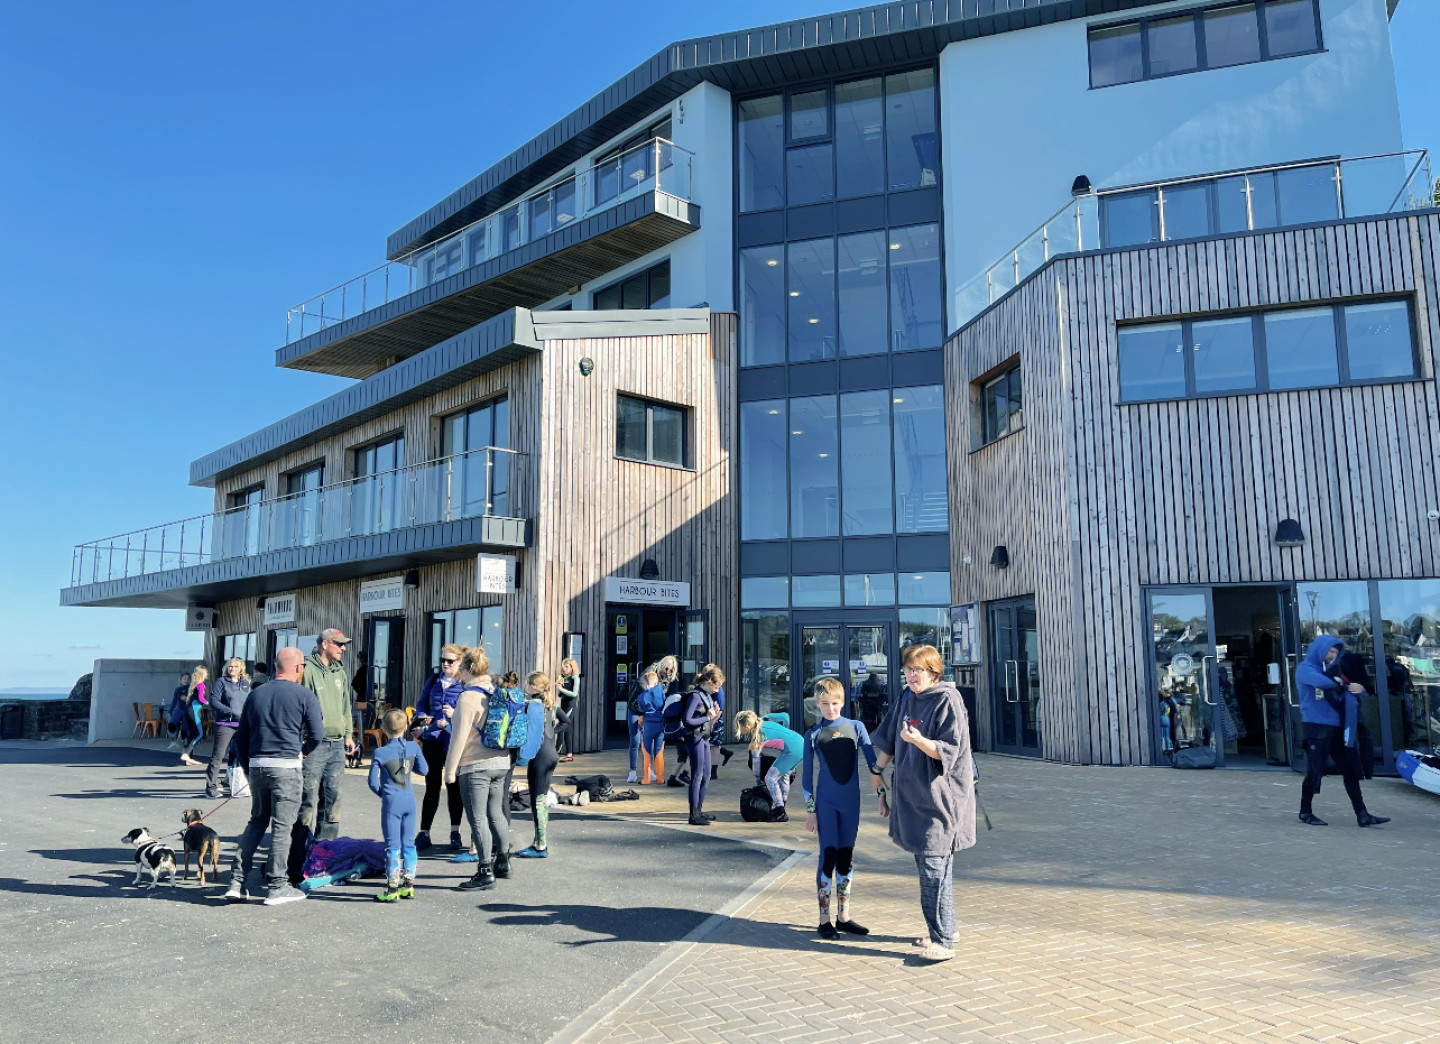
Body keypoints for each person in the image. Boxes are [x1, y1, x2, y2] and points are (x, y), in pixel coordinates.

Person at [871, 644, 976, 963]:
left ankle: (943, 940)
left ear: (934, 672)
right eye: (908, 668)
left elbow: (950, 750)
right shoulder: (906, 696)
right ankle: (948, 928)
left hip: (940, 800)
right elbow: (889, 736)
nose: (912, 674)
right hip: (911, 797)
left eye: (919, 669)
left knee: (934, 866)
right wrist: (877, 773)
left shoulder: (948, 699)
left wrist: (918, 740)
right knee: (934, 865)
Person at [226, 647, 323, 906]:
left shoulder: (255, 694)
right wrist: (302, 753)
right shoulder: (305, 695)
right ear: (298, 668)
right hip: (286, 767)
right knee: (282, 826)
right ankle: (277, 886)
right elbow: (316, 735)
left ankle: (237, 882)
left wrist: (248, 769)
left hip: (258, 765)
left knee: (257, 822)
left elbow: (241, 737)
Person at [803, 677, 878, 938]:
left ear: (843, 702)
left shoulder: (857, 727)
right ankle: (824, 919)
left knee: (846, 856)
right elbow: (805, 779)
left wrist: (881, 794)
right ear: (817, 704)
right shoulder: (812, 734)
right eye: (825, 704)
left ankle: (843, 916)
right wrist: (810, 810)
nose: (830, 709)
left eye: (835, 703)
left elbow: (874, 765)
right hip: (826, 803)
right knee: (829, 856)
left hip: (851, 803)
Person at [1295, 635, 1389, 828]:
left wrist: (1359, 688)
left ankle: (1362, 814)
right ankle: (1305, 812)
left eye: (1336, 653)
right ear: (1320, 650)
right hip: (1316, 727)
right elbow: (1323, 683)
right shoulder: (1305, 669)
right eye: (1330, 651)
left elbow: (1352, 689)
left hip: (1338, 727)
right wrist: (1346, 685)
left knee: (1350, 769)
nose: (1333, 655)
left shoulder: (1334, 671)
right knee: (1315, 771)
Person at [288, 628, 356, 883]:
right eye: (339, 644)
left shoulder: (340, 670)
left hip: (337, 745)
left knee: (333, 801)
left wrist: (348, 734)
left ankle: (323, 859)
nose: (343, 648)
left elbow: (345, 704)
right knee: (306, 801)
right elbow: (297, 708)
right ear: (325, 643)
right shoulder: (307, 669)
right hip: (313, 746)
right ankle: (295, 863)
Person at [443, 647, 512, 891]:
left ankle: (484, 870)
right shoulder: (495, 690)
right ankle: (503, 861)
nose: (458, 672)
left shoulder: (468, 697)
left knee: (478, 818)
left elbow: (459, 737)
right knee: (496, 814)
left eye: (460, 668)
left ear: (466, 670)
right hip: (501, 761)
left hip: (476, 765)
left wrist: (450, 771)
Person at [369, 708, 429, 902]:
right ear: (405, 728)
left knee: (393, 846)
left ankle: (392, 889)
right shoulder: (413, 748)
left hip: (391, 802)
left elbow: (371, 782)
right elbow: (425, 770)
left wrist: (383, 795)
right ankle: (409, 885)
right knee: (409, 843)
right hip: (409, 800)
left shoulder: (380, 752)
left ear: (384, 729)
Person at [412, 644, 465, 853]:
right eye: (442, 660)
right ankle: (424, 833)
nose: (445, 664)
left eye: (450, 661)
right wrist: (421, 724)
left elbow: (470, 710)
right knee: (431, 786)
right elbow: (422, 704)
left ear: (459, 662)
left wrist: (454, 713)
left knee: (453, 786)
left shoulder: (464, 684)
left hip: (452, 741)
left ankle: (455, 832)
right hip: (433, 740)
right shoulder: (433, 680)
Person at [515, 670, 560, 858]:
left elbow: (529, 733)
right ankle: (539, 842)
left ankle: (540, 846)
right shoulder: (551, 705)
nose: (525, 686)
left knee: (538, 801)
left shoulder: (532, 705)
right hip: (551, 753)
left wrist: (522, 756)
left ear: (534, 686)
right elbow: (565, 721)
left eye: (527, 683)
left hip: (539, 756)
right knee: (541, 800)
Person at [733, 710, 804, 821]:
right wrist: (785, 732)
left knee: (770, 778)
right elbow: (785, 716)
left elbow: (756, 764)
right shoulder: (764, 720)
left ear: (745, 727)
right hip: (800, 742)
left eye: (740, 728)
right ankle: (780, 808)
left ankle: (781, 812)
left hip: (792, 751)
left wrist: (759, 782)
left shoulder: (757, 738)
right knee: (784, 776)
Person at [681, 664, 724, 826]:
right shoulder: (696, 696)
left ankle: (699, 810)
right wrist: (707, 717)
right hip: (695, 738)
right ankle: (693, 815)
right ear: (709, 682)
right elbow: (687, 720)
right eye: (717, 686)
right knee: (697, 774)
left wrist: (714, 717)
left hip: (705, 737)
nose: (718, 690)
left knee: (706, 775)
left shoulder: (707, 696)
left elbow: (708, 722)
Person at [206, 658, 251, 799]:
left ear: (241, 668)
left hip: (242, 725)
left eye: (235, 666)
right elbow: (214, 702)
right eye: (230, 666)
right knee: (218, 756)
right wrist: (231, 712)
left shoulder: (245, 684)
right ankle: (210, 787)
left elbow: (249, 701)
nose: (232, 668)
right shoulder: (221, 682)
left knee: (242, 756)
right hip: (225, 725)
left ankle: (237, 784)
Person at [635, 670, 667, 785]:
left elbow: (641, 709)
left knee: (647, 751)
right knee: (659, 751)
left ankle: (646, 779)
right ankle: (660, 778)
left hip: (648, 724)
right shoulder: (660, 691)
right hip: (661, 723)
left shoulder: (642, 697)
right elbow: (664, 702)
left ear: (645, 684)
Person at [179, 665, 209, 766]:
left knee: (192, 734)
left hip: (188, 710)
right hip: (195, 711)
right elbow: (201, 698)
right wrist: (210, 703)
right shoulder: (201, 685)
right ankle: (186, 753)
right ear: (203, 674)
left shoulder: (193, 685)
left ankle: (189, 758)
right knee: (199, 734)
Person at [556, 658, 580, 762]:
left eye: (567, 666)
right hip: (564, 705)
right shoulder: (564, 678)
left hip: (570, 706)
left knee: (562, 727)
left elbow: (574, 694)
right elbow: (560, 695)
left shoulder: (575, 678)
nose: (564, 669)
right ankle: (569, 754)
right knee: (567, 729)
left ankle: (555, 753)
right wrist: (559, 687)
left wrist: (562, 689)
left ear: (572, 667)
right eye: (563, 666)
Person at [165, 672, 189, 751]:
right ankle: (174, 741)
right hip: (179, 709)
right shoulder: (178, 689)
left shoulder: (191, 689)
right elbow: (174, 701)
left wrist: (187, 699)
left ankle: (184, 743)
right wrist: (169, 711)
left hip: (187, 710)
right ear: (180, 680)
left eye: (188, 679)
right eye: (184, 679)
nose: (186, 680)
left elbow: (196, 700)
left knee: (184, 728)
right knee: (171, 723)